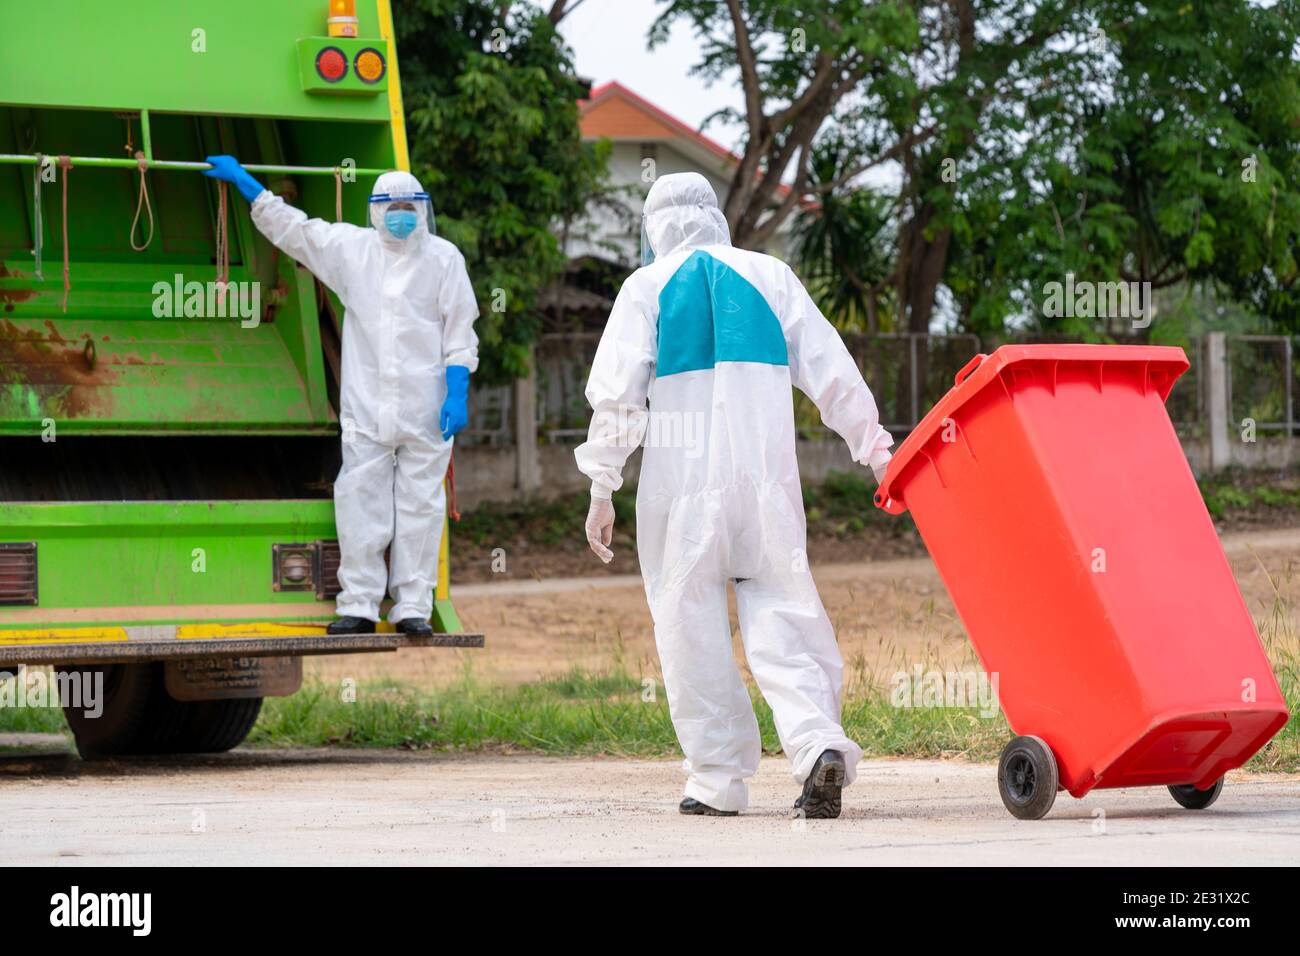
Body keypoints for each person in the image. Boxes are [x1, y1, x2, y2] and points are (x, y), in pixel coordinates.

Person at [575, 172, 892, 818]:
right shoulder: (771, 276)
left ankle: (717, 780)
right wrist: (876, 450)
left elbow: (618, 396)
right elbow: (831, 369)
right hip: (765, 487)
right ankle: (817, 745)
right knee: (781, 608)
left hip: (680, 493)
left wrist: (602, 484)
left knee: (688, 624)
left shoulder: (646, 287)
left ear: (654, 225)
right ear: (715, 216)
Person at [203, 156, 478, 637]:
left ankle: (413, 606)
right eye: (391, 206)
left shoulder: (443, 260)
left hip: (428, 411)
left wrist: (457, 391)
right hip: (368, 407)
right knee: (360, 503)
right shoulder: (353, 251)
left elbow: (460, 333)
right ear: (374, 211)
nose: (401, 215)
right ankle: (359, 606)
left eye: (409, 207)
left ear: (423, 210)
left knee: (421, 508)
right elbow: (298, 231)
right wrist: (249, 186)